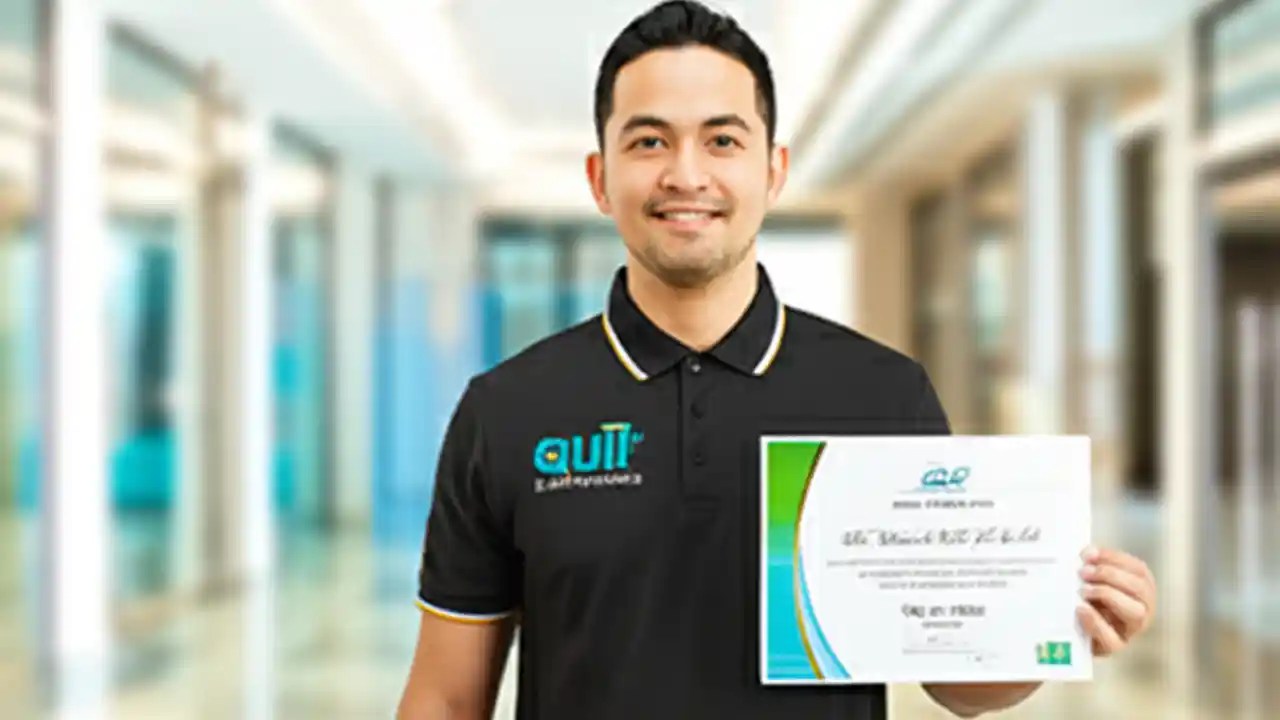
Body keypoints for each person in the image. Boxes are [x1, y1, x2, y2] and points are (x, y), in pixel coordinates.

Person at [396, 2, 1157, 718]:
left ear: (773, 170)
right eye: (649, 140)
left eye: (722, 140)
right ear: (600, 178)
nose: (686, 175)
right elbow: (445, 699)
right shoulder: (507, 411)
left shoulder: (883, 395)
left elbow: (956, 681)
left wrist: (1054, 619)